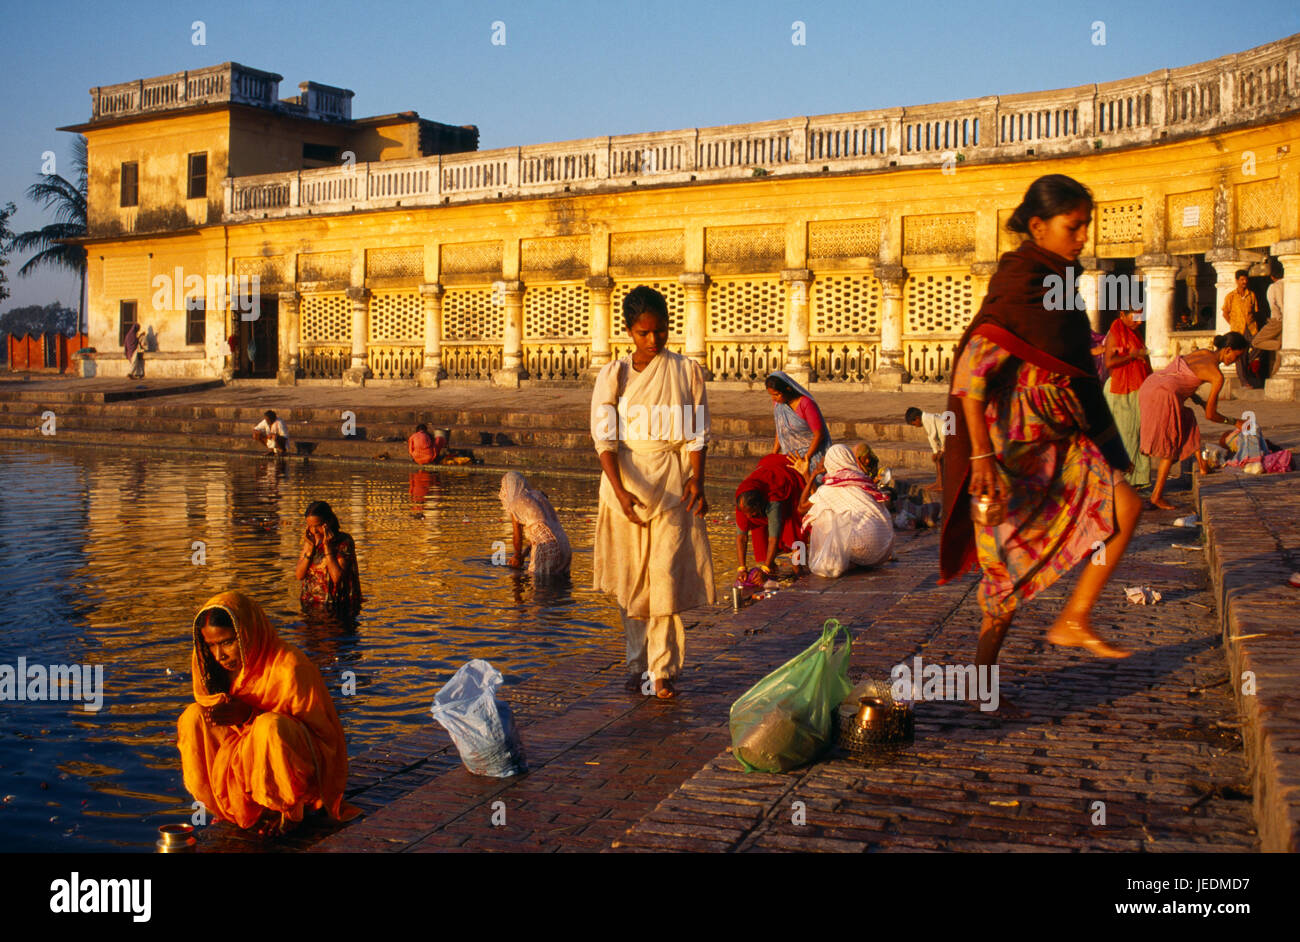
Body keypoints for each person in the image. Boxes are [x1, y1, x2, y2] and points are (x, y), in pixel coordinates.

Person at [940, 174, 1144, 681]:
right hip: (1007, 457)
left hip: (1060, 439)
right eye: (1073, 228)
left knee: (1128, 505)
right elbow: (971, 377)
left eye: (1085, 227)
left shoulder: (1059, 285)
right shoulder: (1019, 281)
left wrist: (1104, 360)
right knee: (1003, 578)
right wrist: (981, 457)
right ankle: (981, 685)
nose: (1083, 238)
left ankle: (1074, 618)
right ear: (1038, 225)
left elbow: (1064, 361)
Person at [590, 286, 713, 700]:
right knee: (632, 583)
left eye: (661, 331)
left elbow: (697, 434)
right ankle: (637, 662)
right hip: (625, 483)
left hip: (672, 480)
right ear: (629, 331)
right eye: (645, 333)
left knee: (663, 576)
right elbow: (604, 441)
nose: (654, 341)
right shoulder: (614, 375)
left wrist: (697, 478)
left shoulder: (686, 371)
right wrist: (621, 491)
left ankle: (662, 670)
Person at [176, 591, 359, 836]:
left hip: (301, 771)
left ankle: (286, 809)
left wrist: (250, 715)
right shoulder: (213, 670)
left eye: (228, 642)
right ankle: (234, 808)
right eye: (211, 645)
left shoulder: (289, 667)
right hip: (247, 758)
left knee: (269, 727)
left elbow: (324, 740)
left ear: (248, 634)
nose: (220, 655)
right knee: (193, 718)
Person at [1138, 333, 1249, 509]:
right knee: (1171, 446)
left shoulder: (1203, 353)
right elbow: (1211, 415)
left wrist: (1200, 401)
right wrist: (1234, 422)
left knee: (1188, 416)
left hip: (1150, 385)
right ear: (1227, 350)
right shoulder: (1217, 376)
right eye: (1237, 356)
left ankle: (1202, 465)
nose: (1236, 361)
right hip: (1164, 395)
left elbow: (1182, 375)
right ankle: (1156, 496)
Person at [798, 444, 893, 577]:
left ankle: (835, 560)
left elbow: (801, 508)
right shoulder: (863, 480)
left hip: (866, 548)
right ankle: (855, 560)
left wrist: (812, 474)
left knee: (822, 517)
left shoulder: (829, 488)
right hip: (884, 547)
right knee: (827, 509)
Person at [1102, 308, 1153, 488]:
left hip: (1139, 386)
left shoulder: (1135, 332)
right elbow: (1109, 362)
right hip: (1121, 391)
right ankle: (1126, 481)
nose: (1139, 322)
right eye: (1136, 317)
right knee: (1126, 435)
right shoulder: (1115, 334)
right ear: (1123, 314)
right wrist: (1132, 355)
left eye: (1141, 318)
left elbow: (1145, 358)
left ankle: (1140, 479)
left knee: (1141, 434)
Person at [735, 453, 807, 579]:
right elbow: (741, 538)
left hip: (787, 477)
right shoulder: (742, 501)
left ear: (759, 505)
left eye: (751, 512)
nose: (748, 516)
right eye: (745, 513)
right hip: (766, 467)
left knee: (793, 532)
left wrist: (765, 570)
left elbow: (774, 537)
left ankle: (799, 570)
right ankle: (772, 568)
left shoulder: (773, 501)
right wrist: (742, 568)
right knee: (758, 532)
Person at [295, 499, 362, 618]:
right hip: (311, 604)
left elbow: (337, 578)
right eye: (310, 527)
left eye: (318, 526)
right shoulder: (310, 541)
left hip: (338, 606)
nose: (314, 531)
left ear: (329, 522)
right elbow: (299, 575)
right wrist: (310, 550)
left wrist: (327, 547)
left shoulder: (344, 542)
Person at [499, 471, 571, 577]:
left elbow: (517, 538)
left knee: (538, 588)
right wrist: (523, 555)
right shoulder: (539, 496)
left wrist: (517, 556)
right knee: (560, 586)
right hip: (565, 546)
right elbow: (541, 533)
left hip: (547, 549)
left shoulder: (515, 503)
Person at [765, 371, 830, 474]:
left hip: (812, 455)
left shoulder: (806, 403)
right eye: (771, 395)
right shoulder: (778, 404)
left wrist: (805, 459)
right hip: (791, 456)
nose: (774, 398)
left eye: (777, 394)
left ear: (788, 389)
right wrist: (774, 453)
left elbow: (819, 435)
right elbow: (781, 430)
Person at [1221, 269, 1260, 387]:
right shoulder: (1231, 296)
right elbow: (1225, 313)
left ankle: (1247, 361)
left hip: (1251, 328)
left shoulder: (1251, 295)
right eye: (1242, 279)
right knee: (1240, 354)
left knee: (1259, 346)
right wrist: (1233, 323)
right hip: (1237, 330)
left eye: (1245, 279)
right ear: (1237, 281)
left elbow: (1255, 311)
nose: (1244, 282)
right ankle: (1244, 381)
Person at [1252, 262, 1284, 380]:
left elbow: (1275, 304)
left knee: (1256, 342)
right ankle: (1275, 377)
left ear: (1272, 277)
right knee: (1280, 356)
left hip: (1277, 319)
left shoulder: (1274, 286)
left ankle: (1282, 346)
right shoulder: (1292, 284)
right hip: (1290, 321)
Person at [905, 406, 947, 490]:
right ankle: (939, 482)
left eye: (914, 424)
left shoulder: (926, 419)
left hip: (948, 437)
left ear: (917, 418)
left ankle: (940, 483)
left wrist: (935, 452)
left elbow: (932, 435)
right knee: (938, 459)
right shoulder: (928, 417)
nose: (916, 426)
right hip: (946, 438)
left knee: (938, 458)